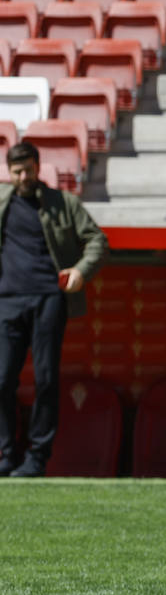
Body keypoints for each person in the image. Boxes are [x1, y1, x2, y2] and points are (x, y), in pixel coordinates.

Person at [0, 142, 109, 478]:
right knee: (1, 379)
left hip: (49, 298)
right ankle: (4, 455)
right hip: (6, 300)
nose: (23, 177)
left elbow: (97, 241)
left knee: (45, 380)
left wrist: (80, 271)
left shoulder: (63, 203)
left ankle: (37, 457)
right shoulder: (2, 202)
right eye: (16, 172)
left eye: (28, 170)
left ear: (38, 167)